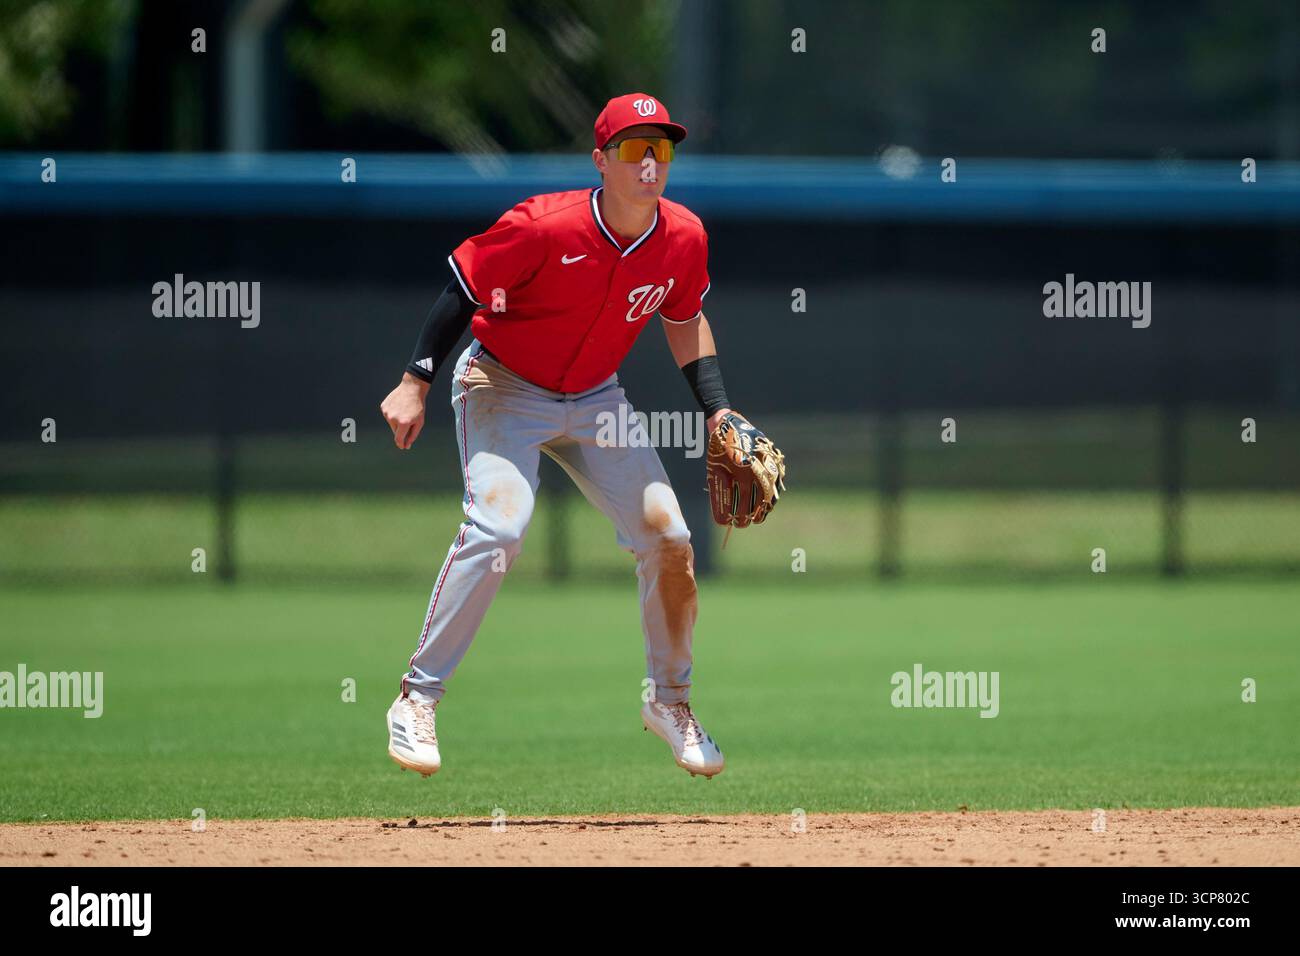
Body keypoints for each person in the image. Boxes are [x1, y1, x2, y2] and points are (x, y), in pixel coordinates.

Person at [380, 93, 743, 779]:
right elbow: (463, 287)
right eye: (635, 148)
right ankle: (416, 699)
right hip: (503, 386)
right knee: (499, 528)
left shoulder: (684, 236)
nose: (649, 162)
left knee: (669, 538)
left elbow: (684, 317)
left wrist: (717, 410)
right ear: (601, 159)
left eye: (660, 148)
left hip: (595, 399)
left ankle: (671, 702)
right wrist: (414, 380)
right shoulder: (545, 225)